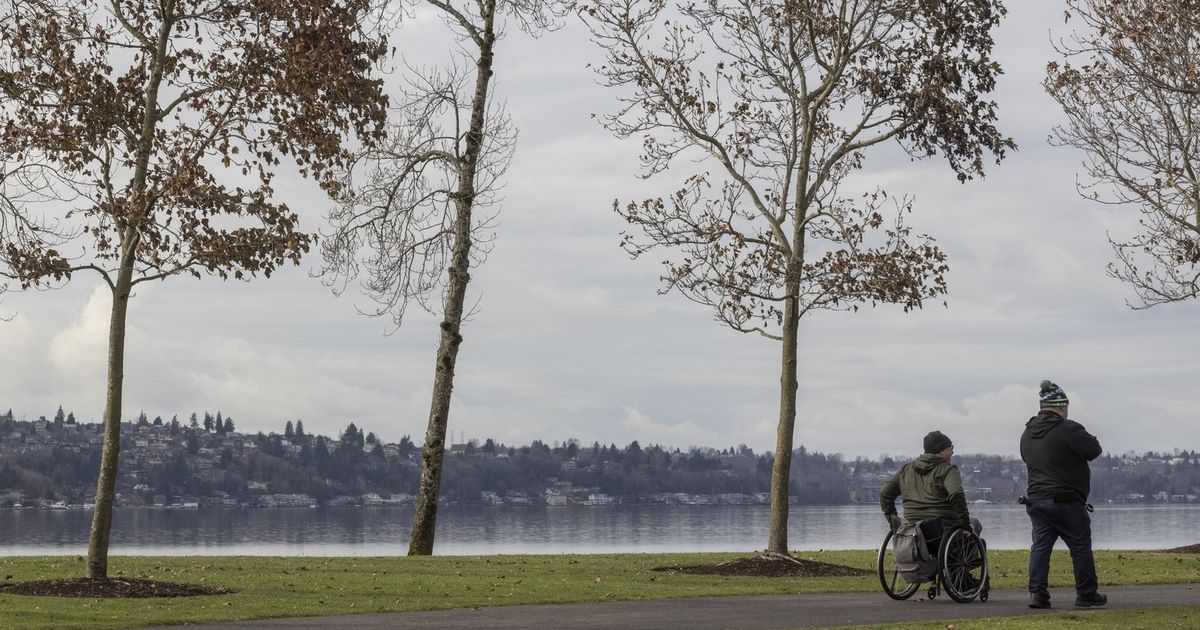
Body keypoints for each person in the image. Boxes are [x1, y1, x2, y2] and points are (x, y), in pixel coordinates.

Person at [1020, 380, 1106, 609]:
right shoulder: (1068, 429)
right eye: (1066, 407)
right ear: (1060, 406)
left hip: (1036, 499)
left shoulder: (1027, 433)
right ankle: (1086, 594)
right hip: (1066, 499)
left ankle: (1037, 594)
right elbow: (1094, 449)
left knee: (1040, 548)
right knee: (1080, 546)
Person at [880, 430, 976, 554]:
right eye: (950, 448)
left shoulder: (905, 471)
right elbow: (956, 495)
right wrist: (965, 525)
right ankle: (967, 564)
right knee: (975, 524)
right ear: (941, 451)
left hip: (912, 530)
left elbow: (885, 493)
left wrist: (893, 521)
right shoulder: (948, 470)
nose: (952, 452)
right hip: (943, 531)